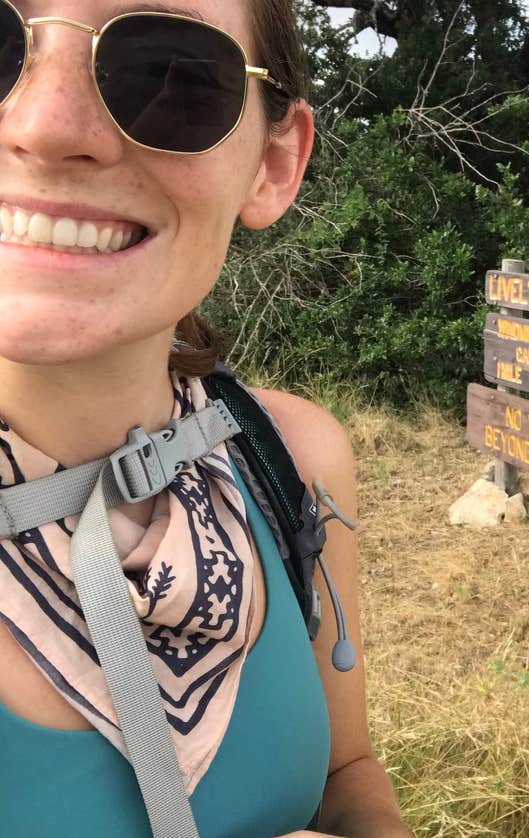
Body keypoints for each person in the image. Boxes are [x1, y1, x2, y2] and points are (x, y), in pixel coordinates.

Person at [0, 1, 413, 836]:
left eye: (168, 74)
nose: (45, 126)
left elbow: (346, 772)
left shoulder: (293, 459)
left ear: (272, 165)